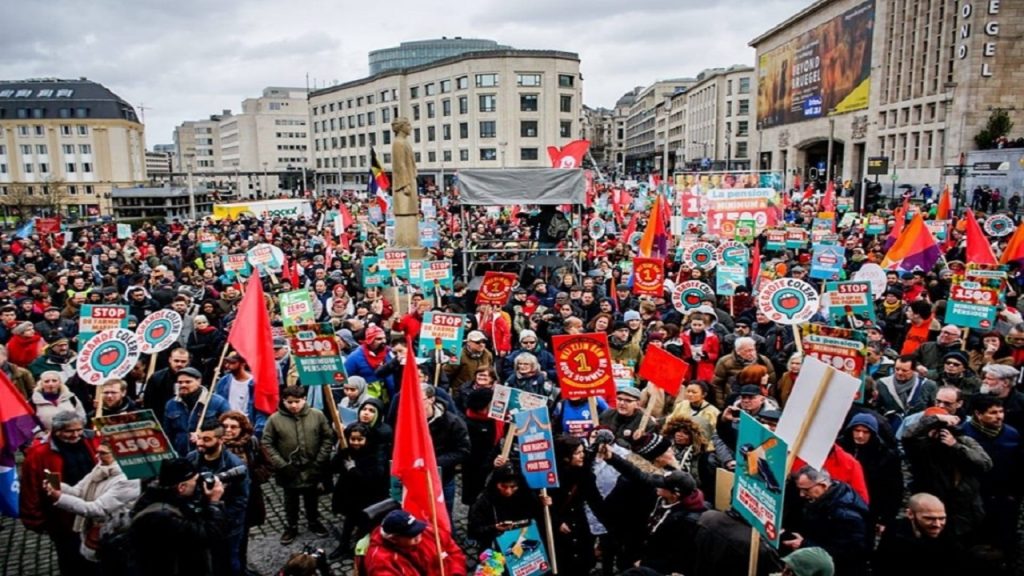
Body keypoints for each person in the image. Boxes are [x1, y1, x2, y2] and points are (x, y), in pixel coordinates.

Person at [20, 411, 100, 576]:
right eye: (69, 431)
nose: (76, 435)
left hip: (94, 510)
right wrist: (34, 519)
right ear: (56, 431)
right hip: (63, 518)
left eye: (79, 430)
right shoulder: (39, 454)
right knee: (72, 560)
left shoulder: (92, 441)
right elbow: (31, 488)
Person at [46, 440, 141, 568]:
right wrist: (58, 487)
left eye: (103, 453)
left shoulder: (128, 480)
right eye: (98, 452)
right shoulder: (101, 467)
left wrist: (60, 498)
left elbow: (97, 509)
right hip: (95, 530)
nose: (97, 456)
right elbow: (79, 491)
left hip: (113, 535)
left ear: (118, 455)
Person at [902, 407, 992, 539]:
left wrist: (955, 445)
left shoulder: (963, 441)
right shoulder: (920, 445)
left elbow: (985, 463)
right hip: (931, 505)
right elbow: (908, 436)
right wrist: (936, 419)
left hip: (963, 507)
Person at [129, 457, 228, 576]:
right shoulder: (162, 516)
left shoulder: (155, 495)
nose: (198, 484)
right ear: (181, 487)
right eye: (195, 481)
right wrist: (214, 502)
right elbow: (209, 535)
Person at [262, 385, 335, 545]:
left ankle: (314, 521)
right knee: (290, 500)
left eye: (297, 401)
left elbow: (327, 437)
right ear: (283, 401)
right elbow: (267, 443)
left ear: (304, 399)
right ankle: (291, 526)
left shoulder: (317, 415)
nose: (294, 405)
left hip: (312, 466)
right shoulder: (274, 419)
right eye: (289, 402)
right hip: (288, 469)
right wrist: (281, 464)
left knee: (312, 497)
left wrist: (319, 461)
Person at [959, 395, 1023, 554]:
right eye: (993, 412)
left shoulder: (1011, 434)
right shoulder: (964, 434)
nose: (999, 416)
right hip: (974, 496)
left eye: (1001, 411)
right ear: (978, 414)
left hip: (1004, 495)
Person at [187, 420, 251, 576]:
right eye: (200, 438)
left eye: (207, 439)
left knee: (230, 561)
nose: (200, 443)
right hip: (199, 521)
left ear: (221, 440)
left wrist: (219, 517)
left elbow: (241, 500)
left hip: (228, 525)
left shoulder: (234, 465)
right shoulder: (192, 458)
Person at [784, 467, 870, 576]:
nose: (801, 494)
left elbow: (848, 553)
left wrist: (805, 544)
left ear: (823, 486)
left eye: (806, 490)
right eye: (800, 490)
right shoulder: (822, 500)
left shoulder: (847, 516)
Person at [220, 411, 272, 576]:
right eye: (225, 426)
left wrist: (253, 476)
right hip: (224, 501)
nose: (228, 430)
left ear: (242, 428)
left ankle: (242, 567)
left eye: (233, 427)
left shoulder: (252, 443)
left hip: (248, 498)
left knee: (242, 537)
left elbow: (268, 465)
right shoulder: (215, 444)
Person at [330, 422, 389, 560]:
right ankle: (343, 545)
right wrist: (340, 456)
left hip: (368, 498)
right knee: (349, 521)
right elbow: (332, 468)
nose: (355, 443)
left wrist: (353, 470)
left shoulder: (374, 454)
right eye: (353, 439)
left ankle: (358, 549)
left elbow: (372, 478)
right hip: (350, 495)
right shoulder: (348, 451)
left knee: (364, 525)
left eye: (359, 439)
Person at [837, 414, 903, 532]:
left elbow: (894, 489)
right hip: (838, 506)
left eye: (865, 432)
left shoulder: (885, 455)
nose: (860, 435)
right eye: (857, 430)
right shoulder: (839, 449)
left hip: (869, 509)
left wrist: (885, 519)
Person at [873, 493, 962, 576]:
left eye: (942, 518)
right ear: (910, 514)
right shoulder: (895, 537)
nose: (937, 525)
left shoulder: (950, 536)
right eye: (929, 518)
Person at [364, 509, 467, 576]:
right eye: (411, 535)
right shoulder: (380, 561)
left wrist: (456, 573)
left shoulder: (427, 530)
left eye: (418, 530)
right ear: (393, 539)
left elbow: (453, 551)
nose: (419, 536)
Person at [467, 464, 545, 548]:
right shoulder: (485, 500)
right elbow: (474, 529)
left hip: (523, 542)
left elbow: (540, 518)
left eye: (513, 487)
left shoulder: (527, 496)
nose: (508, 491)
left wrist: (543, 504)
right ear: (496, 483)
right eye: (503, 486)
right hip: (495, 545)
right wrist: (494, 528)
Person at [423, 384, 470, 517]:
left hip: (443, 478)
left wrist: (435, 462)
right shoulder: (407, 420)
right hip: (415, 478)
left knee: (443, 517)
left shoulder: (452, 422)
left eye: (419, 399)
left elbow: (463, 451)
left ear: (431, 399)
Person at [163, 366, 230, 457]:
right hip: (181, 456)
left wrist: (204, 435)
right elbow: (167, 433)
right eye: (180, 382)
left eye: (188, 382)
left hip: (207, 454)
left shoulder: (217, 402)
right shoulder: (171, 404)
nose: (183, 385)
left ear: (199, 381)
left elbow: (227, 430)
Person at [213, 352, 269, 436]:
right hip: (227, 427)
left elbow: (261, 410)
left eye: (232, 363)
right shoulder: (223, 381)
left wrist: (258, 430)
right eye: (226, 362)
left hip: (248, 427)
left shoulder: (256, 383)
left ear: (243, 363)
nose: (228, 366)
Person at [711, 336, 776, 408]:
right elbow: (717, 384)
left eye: (753, 350)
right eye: (747, 351)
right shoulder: (725, 362)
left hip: (758, 400)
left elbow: (772, 382)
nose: (751, 353)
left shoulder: (763, 360)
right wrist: (721, 404)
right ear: (738, 351)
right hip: (733, 399)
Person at [874, 355, 937, 429]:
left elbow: (933, 409)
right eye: (897, 369)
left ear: (913, 370)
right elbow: (876, 409)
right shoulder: (882, 384)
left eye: (904, 370)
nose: (899, 373)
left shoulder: (927, 385)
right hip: (889, 428)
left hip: (917, 429)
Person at [143, 347, 192, 423]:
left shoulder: (194, 378)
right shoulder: (157, 377)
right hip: (162, 419)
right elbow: (149, 403)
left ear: (188, 361)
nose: (179, 364)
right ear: (170, 360)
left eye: (183, 361)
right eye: (176, 361)